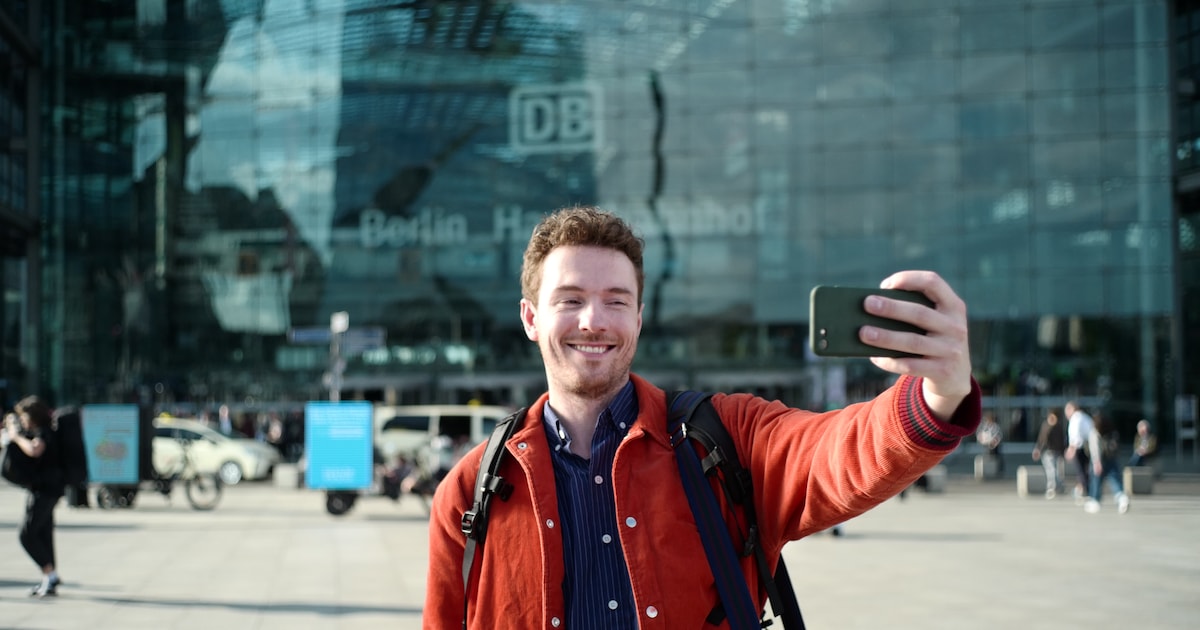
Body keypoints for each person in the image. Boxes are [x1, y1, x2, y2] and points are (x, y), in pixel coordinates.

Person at [424, 206, 981, 628]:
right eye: (569, 299)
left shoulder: (724, 439)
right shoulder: (471, 493)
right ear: (530, 318)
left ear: (639, 318)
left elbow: (836, 451)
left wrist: (937, 395)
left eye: (616, 300)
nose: (594, 320)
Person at [4, 396, 67, 598]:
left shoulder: (43, 434)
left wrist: (15, 437)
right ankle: (49, 578)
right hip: (48, 489)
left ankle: (50, 574)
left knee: (27, 534)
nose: (22, 422)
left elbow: (34, 450)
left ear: (32, 417)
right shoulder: (44, 432)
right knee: (43, 533)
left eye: (23, 418)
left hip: (44, 491)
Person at [1085, 413, 1129, 514]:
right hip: (1112, 458)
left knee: (1096, 481)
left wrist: (1097, 462)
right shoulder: (1112, 431)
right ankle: (1121, 497)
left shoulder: (1094, 432)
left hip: (1100, 460)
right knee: (1114, 480)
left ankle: (1095, 500)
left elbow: (1094, 448)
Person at [1063, 401, 1094, 506]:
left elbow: (1076, 435)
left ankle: (1087, 491)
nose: (1066, 413)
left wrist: (1071, 449)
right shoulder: (1085, 417)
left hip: (1080, 447)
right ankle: (1083, 489)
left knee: (1081, 470)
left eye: (1067, 410)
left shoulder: (1076, 418)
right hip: (1088, 446)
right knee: (1085, 470)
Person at [1032, 410, 1066, 499]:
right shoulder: (1046, 426)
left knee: (1057, 471)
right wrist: (1038, 450)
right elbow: (1042, 440)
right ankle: (1052, 487)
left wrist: (1063, 452)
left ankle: (1058, 486)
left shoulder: (1058, 427)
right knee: (1051, 470)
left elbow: (1062, 441)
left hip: (1057, 452)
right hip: (1048, 452)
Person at [976, 412, 1004, 477]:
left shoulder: (995, 426)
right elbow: (982, 434)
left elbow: (998, 436)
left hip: (995, 446)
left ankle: (999, 471)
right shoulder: (986, 427)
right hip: (988, 445)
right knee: (988, 457)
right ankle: (989, 470)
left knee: (997, 458)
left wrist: (994, 442)